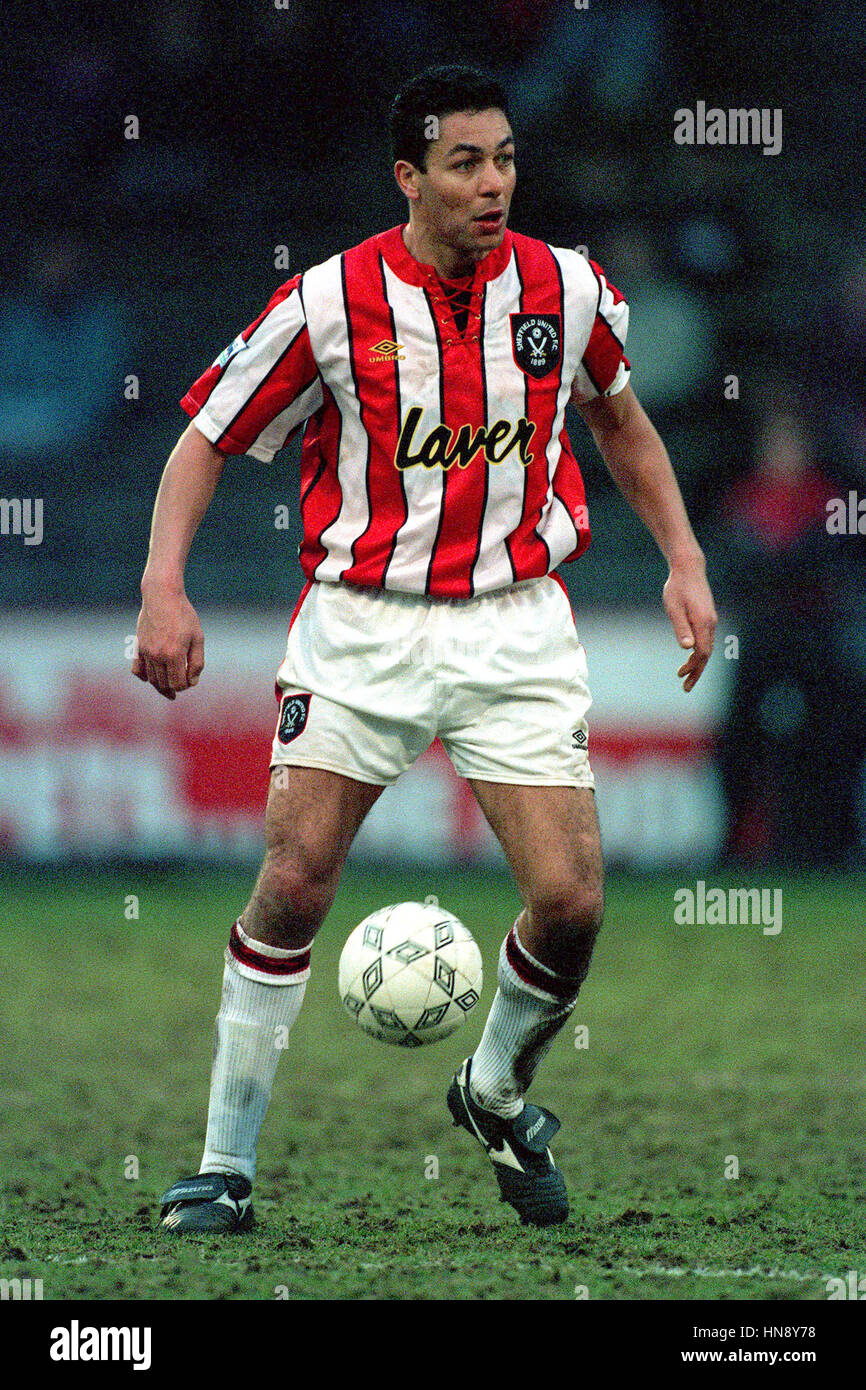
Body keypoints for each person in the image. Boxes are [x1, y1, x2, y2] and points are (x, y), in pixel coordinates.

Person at [135, 65, 716, 1232]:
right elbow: (206, 433)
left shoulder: (568, 288)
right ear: (409, 175)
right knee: (293, 881)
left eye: (503, 159)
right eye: (465, 162)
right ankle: (223, 1166)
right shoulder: (324, 302)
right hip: (361, 624)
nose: (492, 182)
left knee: (570, 903)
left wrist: (684, 558)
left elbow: (619, 422)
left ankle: (492, 1087)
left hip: (514, 622)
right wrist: (163, 584)